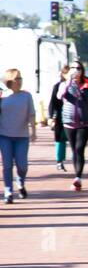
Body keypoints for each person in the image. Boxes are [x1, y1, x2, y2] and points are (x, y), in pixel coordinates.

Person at [58, 61, 88, 192]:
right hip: (69, 122)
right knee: (74, 149)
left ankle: (78, 177)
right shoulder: (65, 84)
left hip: (84, 122)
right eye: (73, 68)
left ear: (82, 71)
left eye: (78, 68)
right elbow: (60, 96)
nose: (76, 70)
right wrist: (69, 80)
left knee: (80, 148)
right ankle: (77, 174)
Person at [1, 68, 37, 204]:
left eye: (21, 79)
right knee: (7, 165)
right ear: (10, 81)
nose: (20, 82)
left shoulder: (26, 96)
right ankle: (8, 191)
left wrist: (33, 130)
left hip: (21, 136)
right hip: (4, 135)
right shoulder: (2, 96)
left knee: (22, 166)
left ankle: (20, 183)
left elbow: (32, 114)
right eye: (17, 79)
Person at [46, 64, 69, 171]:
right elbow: (53, 103)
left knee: (74, 138)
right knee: (60, 138)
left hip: (75, 117)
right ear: (63, 74)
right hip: (60, 115)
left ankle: (76, 158)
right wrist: (51, 116)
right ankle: (60, 161)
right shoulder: (58, 86)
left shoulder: (78, 86)